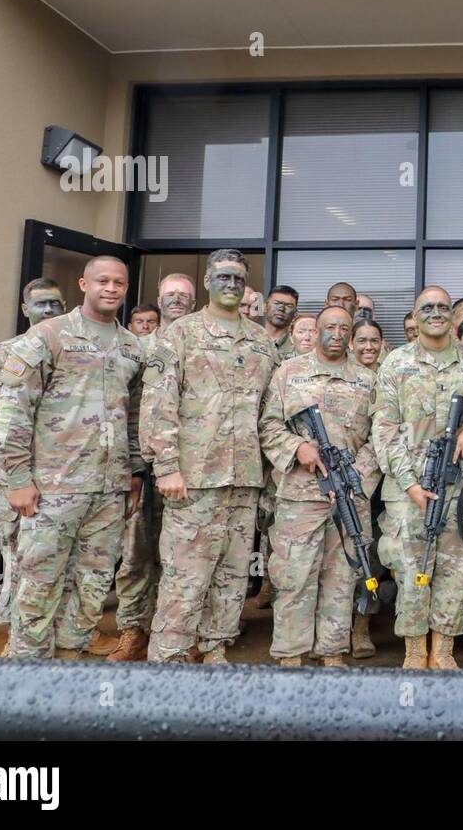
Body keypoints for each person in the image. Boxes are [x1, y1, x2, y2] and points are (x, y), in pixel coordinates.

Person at [0, 257, 145, 659]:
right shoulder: (48, 336)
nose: (111, 288)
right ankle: (26, 681)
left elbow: (133, 415)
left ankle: (67, 673)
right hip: (53, 489)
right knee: (38, 587)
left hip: (108, 492)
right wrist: (18, 478)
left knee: (91, 589)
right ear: (83, 284)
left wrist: (134, 473)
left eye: (119, 282)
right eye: (103, 281)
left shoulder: (131, 346)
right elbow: (13, 411)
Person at [141, 249, 277, 664]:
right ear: (208, 282)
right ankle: (170, 656)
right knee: (185, 573)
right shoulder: (179, 335)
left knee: (233, 573)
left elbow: (272, 408)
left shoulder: (262, 340)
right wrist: (165, 466)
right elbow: (158, 402)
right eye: (223, 277)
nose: (231, 285)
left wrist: (270, 466)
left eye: (238, 278)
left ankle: (215, 647)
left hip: (245, 476)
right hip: (193, 477)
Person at [371, 286, 463, 670]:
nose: (437, 313)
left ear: (454, 315)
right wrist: (410, 484)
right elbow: (384, 427)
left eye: (443, 307)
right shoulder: (395, 363)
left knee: (456, 570)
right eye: (428, 308)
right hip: (408, 484)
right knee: (411, 569)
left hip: (462, 485)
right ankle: (413, 649)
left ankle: (442, 650)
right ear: (415, 314)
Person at [258, 305, 380, 667]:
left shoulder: (366, 379)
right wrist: (299, 448)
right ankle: (291, 653)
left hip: (350, 495)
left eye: (344, 328)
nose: (337, 334)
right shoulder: (288, 373)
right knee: (295, 577)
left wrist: (357, 476)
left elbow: (380, 438)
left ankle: (332, 651)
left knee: (342, 576)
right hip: (301, 494)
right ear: (315, 329)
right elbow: (268, 426)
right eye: (329, 327)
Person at [108, 271, 199, 662]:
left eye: (184, 295)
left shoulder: (203, 343)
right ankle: (133, 629)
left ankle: (179, 634)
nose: (177, 300)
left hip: (193, 470)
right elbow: (120, 408)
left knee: (185, 559)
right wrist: (131, 466)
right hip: (143, 469)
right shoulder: (136, 348)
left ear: (193, 302)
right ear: (158, 300)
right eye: (170, 294)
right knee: (136, 555)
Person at [0, 277, 65, 656]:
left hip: (66, 480)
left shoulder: (73, 351)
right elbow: (2, 418)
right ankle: (16, 645)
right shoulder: (4, 355)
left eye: (56, 304)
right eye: (42, 304)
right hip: (21, 478)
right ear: (25, 309)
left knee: (58, 562)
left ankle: (52, 641)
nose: (49, 311)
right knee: (21, 563)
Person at [264, 286, 299, 359]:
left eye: (288, 306)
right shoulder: (248, 340)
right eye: (276, 303)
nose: (281, 309)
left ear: (295, 313)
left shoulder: (298, 346)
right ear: (265, 306)